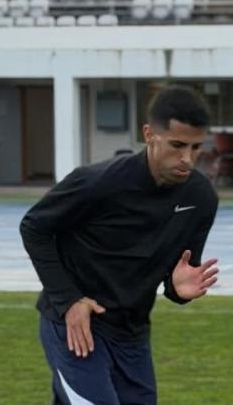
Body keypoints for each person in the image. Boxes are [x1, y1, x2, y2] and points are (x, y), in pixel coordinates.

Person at [21, 85, 220, 405]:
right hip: (76, 328)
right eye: (177, 145)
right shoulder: (97, 182)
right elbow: (34, 228)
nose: (187, 159)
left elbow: (177, 274)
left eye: (196, 147)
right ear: (149, 135)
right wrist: (69, 301)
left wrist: (177, 289)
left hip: (132, 334)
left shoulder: (200, 199)